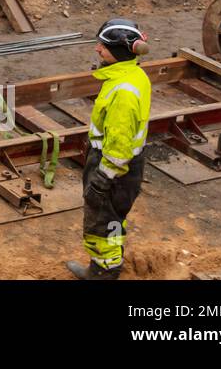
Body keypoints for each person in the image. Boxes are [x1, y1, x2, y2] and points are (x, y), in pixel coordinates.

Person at [67, 18, 152, 280]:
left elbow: (119, 146)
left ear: (117, 51)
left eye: (102, 45)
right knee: (113, 218)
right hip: (126, 168)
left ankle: (103, 273)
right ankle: (109, 265)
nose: (97, 49)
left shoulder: (123, 92)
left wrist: (102, 179)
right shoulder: (132, 75)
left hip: (114, 169)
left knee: (99, 222)